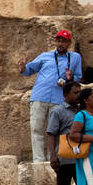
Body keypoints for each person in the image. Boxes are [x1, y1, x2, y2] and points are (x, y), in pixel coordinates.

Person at [19, 29, 81, 163]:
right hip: (39, 96)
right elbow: (29, 69)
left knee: (56, 131)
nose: (61, 43)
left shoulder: (75, 57)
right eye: (58, 40)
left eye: (64, 41)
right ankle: (39, 160)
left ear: (69, 42)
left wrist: (71, 78)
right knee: (36, 129)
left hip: (59, 98)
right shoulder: (45, 56)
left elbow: (79, 77)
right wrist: (23, 68)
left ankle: (53, 158)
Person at [47, 82, 89, 185]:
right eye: (75, 93)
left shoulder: (82, 112)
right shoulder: (57, 112)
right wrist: (53, 156)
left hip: (80, 158)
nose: (78, 95)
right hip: (65, 160)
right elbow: (51, 134)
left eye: (79, 92)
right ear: (66, 95)